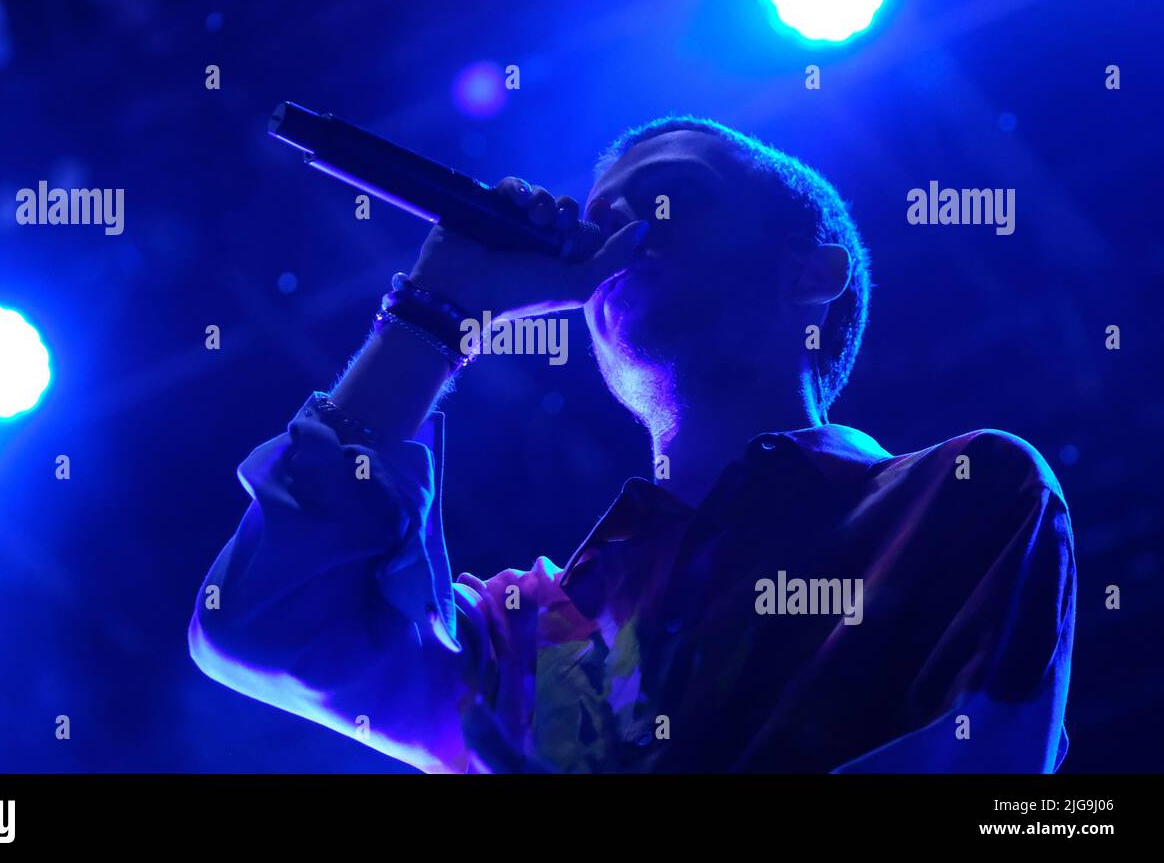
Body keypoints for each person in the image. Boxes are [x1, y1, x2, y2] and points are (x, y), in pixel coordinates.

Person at [188, 116, 1075, 773]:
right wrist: (435, 311)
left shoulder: (962, 492)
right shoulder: (531, 633)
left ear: (813, 271)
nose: (621, 232)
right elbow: (261, 629)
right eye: (600, 216)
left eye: (668, 198)